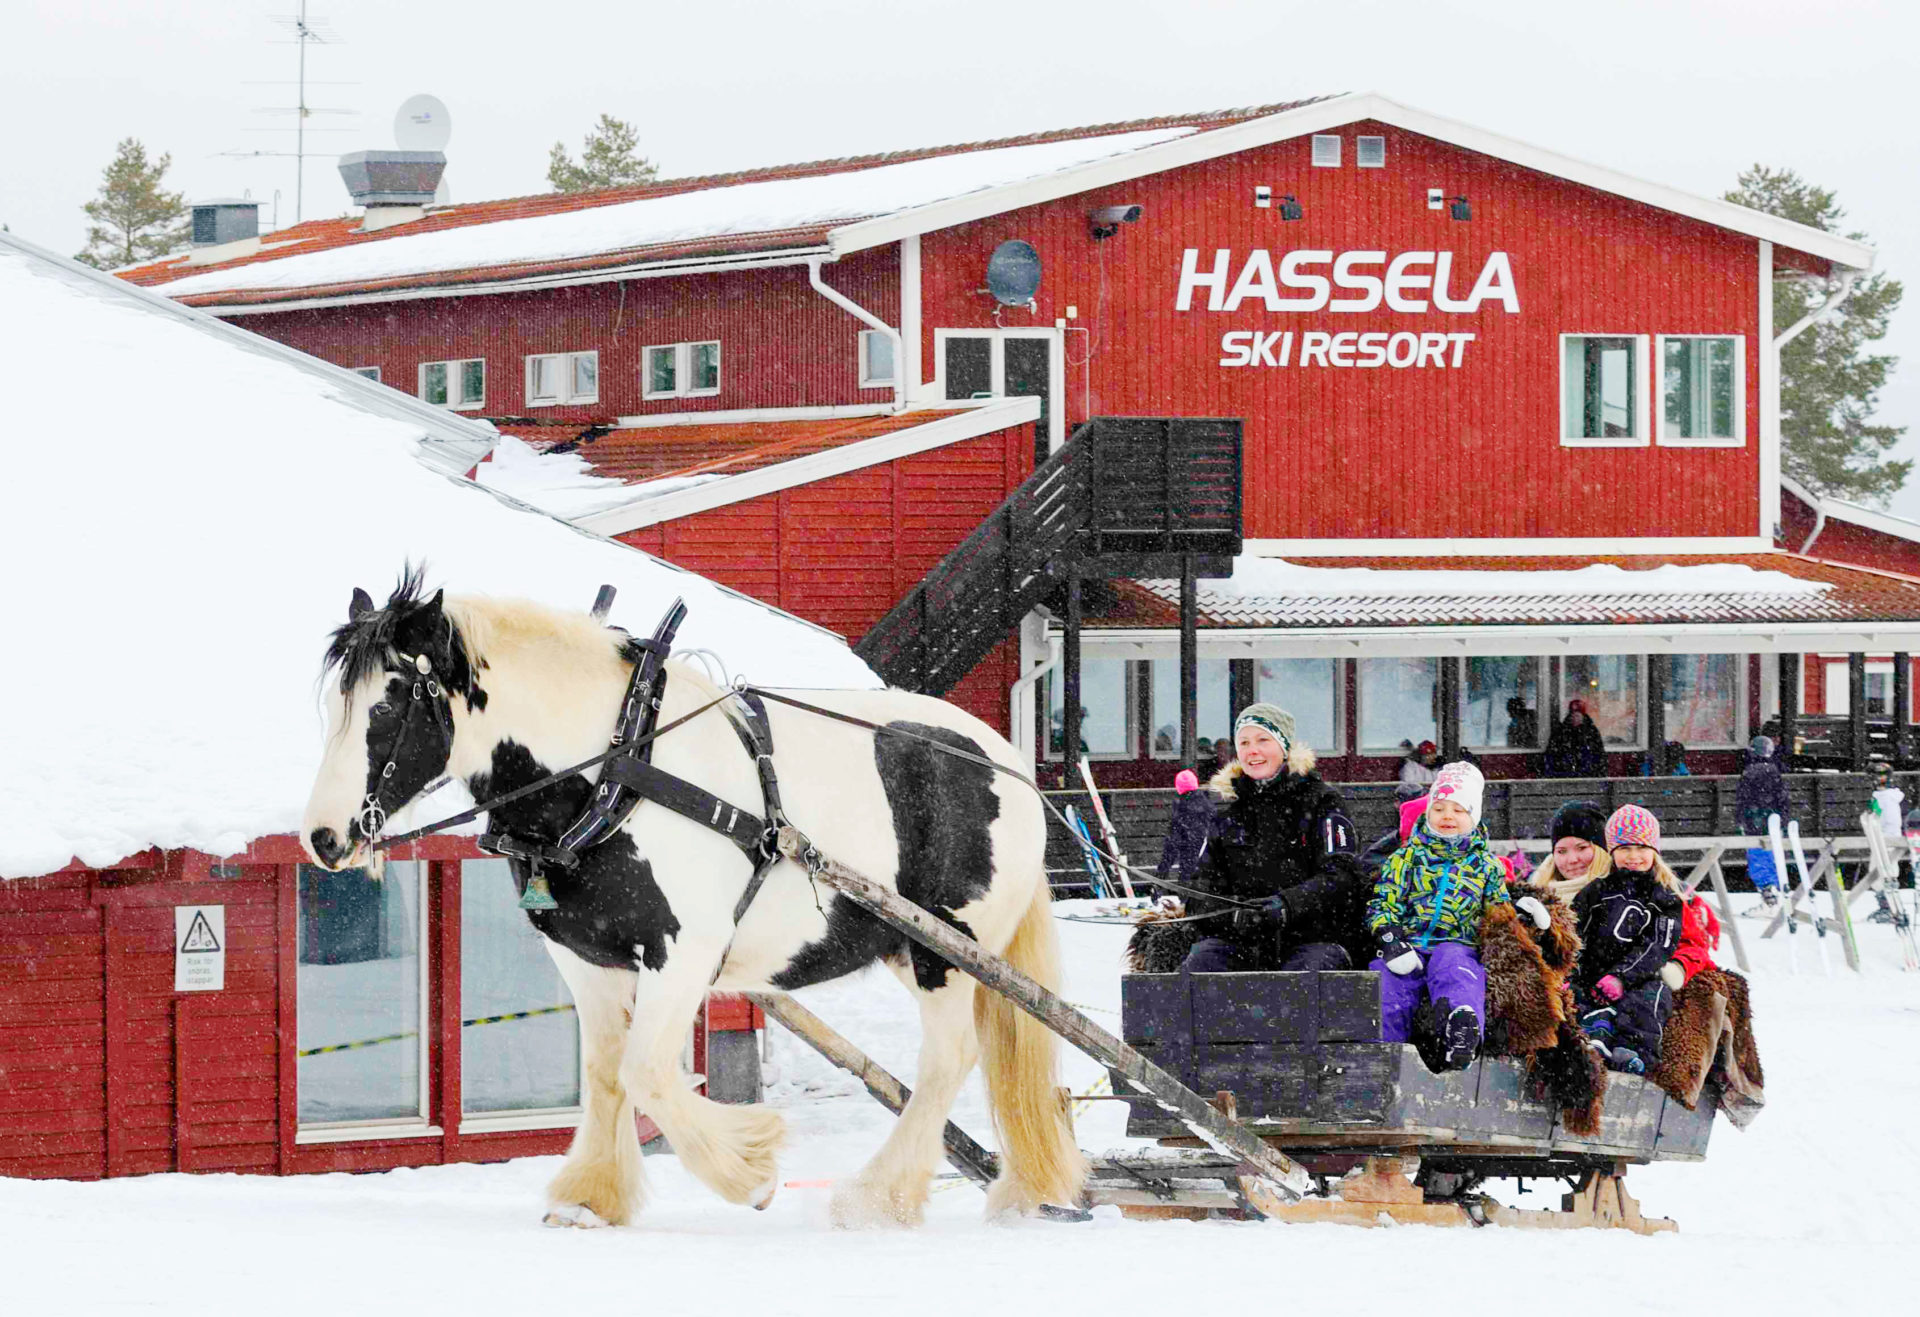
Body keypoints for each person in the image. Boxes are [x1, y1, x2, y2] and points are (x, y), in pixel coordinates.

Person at [1367, 762, 1546, 1070]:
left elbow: (1497, 911)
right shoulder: (1406, 858)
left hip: (1458, 943)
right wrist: (1391, 940)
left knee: (1457, 970)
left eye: (1458, 809)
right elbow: (1384, 901)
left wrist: (1523, 917)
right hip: (1409, 945)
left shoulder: (1486, 866)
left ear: (1473, 817)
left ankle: (1461, 1029)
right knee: (1387, 983)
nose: (1447, 816)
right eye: (1439, 808)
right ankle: (1381, 1052)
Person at [1179, 703, 1369, 974]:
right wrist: (1234, 915)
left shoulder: (1323, 802)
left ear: (1285, 747)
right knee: (1201, 964)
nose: (1252, 750)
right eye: (1244, 742)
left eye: (1263, 740)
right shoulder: (1227, 815)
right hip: (1243, 943)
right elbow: (1199, 893)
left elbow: (1344, 877)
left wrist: (1287, 906)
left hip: (1313, 941)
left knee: (1304, 976)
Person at [1571, 805, 1684, 1075]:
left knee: (1650, 1000)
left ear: (1654, 851)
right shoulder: (1595, 892)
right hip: (1594, 972)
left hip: (1639, 977)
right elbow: (1573, 935)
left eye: (1641, 848)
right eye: (1624, 848)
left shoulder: (1665, 898)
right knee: (1575, 999)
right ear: (1612, 852)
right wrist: (1572, 973)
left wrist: (1621, 977)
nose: (1633, 857)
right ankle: (1590, 1041)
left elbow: (1659, 945)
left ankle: (1633, 1052)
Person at [1737, 735, 1790, 905]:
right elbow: (1783, 799)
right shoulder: (1776, 771)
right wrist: (1783, 819)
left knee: (1757, 855)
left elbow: (1743, 799)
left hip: (1754, 822)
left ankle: (1767, 892)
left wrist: (1741, 819)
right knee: (1773, 855)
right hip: (1773, 821)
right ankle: (1773, 889)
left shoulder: (1749, 773)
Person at [1525, 800, 1613, 902]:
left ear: (1601, 851)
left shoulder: (1618, 897)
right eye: (1562, 851)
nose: (1572, 860)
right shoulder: (1531, 899)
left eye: (1581, 848)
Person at [1156, 768, 1216, 884]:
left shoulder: (1181, 807)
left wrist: (1162, 871)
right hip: (1205, 854)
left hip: (1188, 852)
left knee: (1185, 876)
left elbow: (1173, 841)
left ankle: (1174, 884)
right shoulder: (1207, 804)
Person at [1542, 700, 1607, 778]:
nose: (1575, 718)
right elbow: (1552, 753)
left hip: (1586, 774)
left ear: (1583, 717)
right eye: (1572, 715)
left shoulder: (1591, 732)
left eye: (1577, 716)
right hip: (1565, 774)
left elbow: (1598, 754)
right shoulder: (1561, 731)